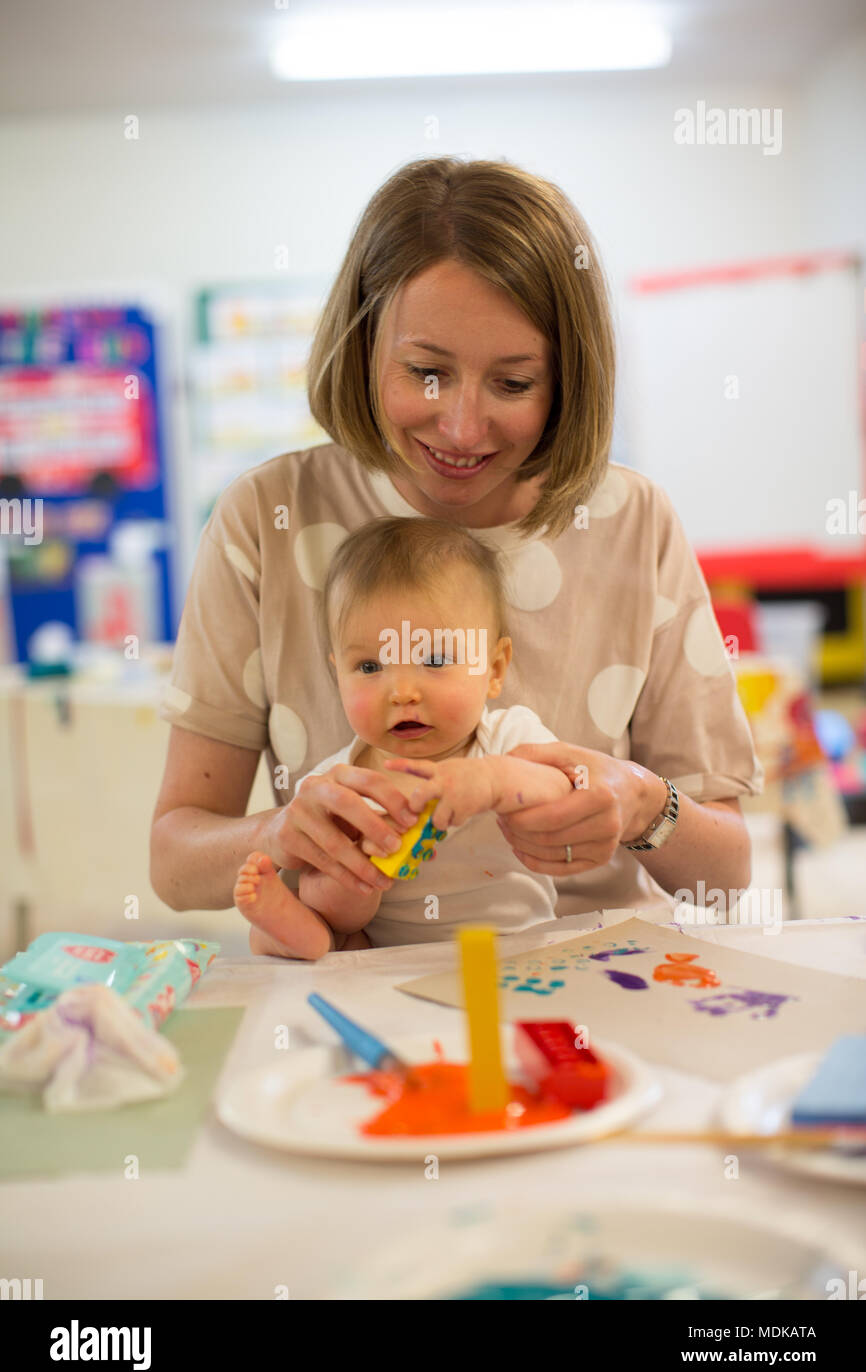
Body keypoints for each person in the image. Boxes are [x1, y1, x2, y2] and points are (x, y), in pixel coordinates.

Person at [150, 156, 763, 954]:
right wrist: (284, 833)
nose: (463, 429)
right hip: (352, 987)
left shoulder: (634, 522)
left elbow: (728, 874)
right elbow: (173, 861)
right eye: (427, 373)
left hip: (590, 989)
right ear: (364, 345)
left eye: (513, 384)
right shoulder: (266, 519)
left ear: (568, 380)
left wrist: (644, 806)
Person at [233, 515, 576, 956]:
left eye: (434, 660)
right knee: (325, 901)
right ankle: (283, 926)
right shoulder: (338, 783)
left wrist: (494, 781)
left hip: (517, 955)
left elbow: (562, 787)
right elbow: (318, 865)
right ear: (338, 675)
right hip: (382, 965)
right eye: (370, 667)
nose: (402, 693)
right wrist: (349, 861)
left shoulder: (507, 737)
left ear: (493, 670)